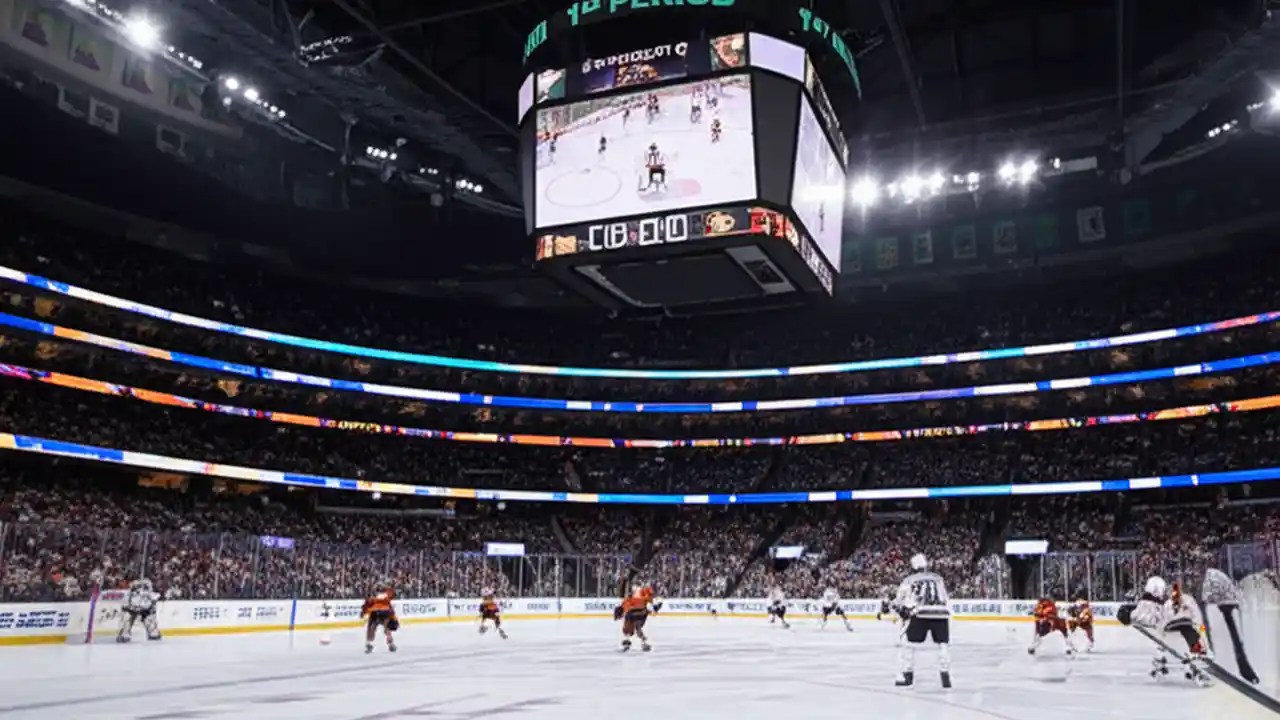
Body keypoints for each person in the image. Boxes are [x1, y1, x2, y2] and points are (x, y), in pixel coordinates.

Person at [1119, 576, 1212, 686]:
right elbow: (1148, 618)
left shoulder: (1157, 603)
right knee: (1187, 630)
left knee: (1184, 630)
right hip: (1169, 628)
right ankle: (1195, 654)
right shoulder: (1152, 603)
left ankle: (1174, 659)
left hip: (1166, 628)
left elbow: (1149, 617)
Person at [892, 554, 952, 688]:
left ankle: (907, 675)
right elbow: (944, 596)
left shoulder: (910, 580)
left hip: (921, 612)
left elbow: (901, 599)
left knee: (908, 644)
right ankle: (945, 675)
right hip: (941, 613)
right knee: (943, 644)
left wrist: (901, 610)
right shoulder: (938, 578)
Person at [615, 584, 661, 652]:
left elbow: (650, 604)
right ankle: (634, 640)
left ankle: (641, 641)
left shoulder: (643, 596)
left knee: (636, 627)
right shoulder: (630, 599)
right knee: (631, 627)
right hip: (634, 613)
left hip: (639, 613)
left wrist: (653, 608)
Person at [117, 578, 161, 643]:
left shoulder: (149, 594)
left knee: (150, 619)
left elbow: (156, 596)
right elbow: (124, 605)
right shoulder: (130, 595)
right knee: (127, 618)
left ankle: (153, 631)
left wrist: (150, 603)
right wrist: (129, 607)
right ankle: (125, 632)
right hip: (132, 609)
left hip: (146, 609)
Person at [361, 584, 399, 654]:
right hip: (381, 614)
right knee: (384, 629)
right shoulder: (384, 595)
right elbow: (393, 594)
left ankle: (370, 644)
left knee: (374, 629)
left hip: (380, 614)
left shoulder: (378, 596)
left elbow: (366, 605)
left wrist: (363, 612)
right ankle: (389, 644)